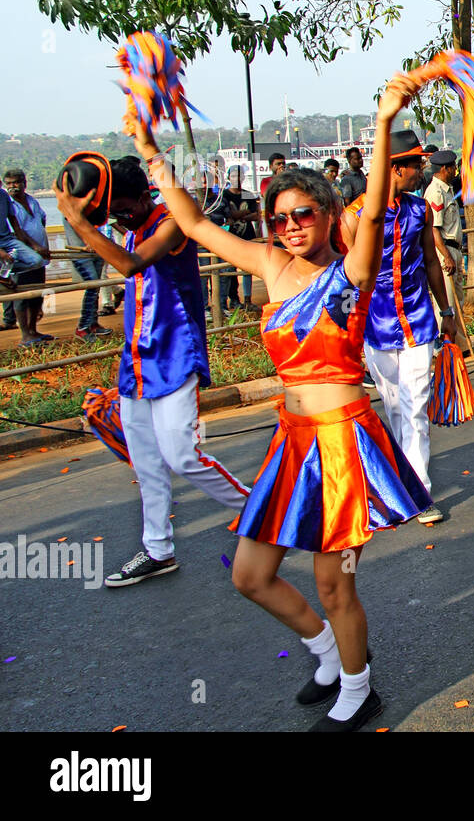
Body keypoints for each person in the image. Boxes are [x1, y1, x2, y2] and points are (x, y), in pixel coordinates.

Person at [128, 71, 438, 731]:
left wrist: (381, 121)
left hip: (341, 440)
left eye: (304, 214)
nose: (292, 226)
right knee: (249, 574)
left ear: (329, 213)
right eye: (281, 217)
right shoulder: (270, 266)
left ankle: (359, 685)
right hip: (292, 442)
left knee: (334, 583)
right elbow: (187, 221)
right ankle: (326, 652)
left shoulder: (350, 270)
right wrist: (149, 145)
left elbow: (378, 208)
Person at [56, 155, 250, 586]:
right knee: (145, 464)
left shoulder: (171, 222)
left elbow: (131, 265)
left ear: (146, 196)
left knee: (182, 455)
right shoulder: (133, 227)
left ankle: (260, 511)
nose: (121, 219)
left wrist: (82, 225)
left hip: (176, 354)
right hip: (136, 362)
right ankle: (158, 550)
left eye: (126, 210)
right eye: (114, 213)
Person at [342, 129, 460, 526]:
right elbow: (345, 279)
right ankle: (399, 482)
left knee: (415, 406)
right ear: (395, 169)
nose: (421, 169)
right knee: (395, 408)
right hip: (375, 328)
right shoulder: (355, 215)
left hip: (419, 322)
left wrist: (447, 311)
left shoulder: (420, 209)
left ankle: (418, 492)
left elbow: (429, 260)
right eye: (416, 164)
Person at [424, 150, 470, 353]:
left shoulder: (447, 189)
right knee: (446, 303)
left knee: (457, 301)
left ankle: (459, 344)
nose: (455, 171)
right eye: (452, 167)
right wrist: (446, 255)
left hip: (454, 249)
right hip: (446, 251)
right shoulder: (435, 192)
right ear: (445, 168)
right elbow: (433, 228)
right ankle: (442, 347)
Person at [2, 170, 52, 343]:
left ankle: (33, 331)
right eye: (8, 183)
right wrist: (35, 246)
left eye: (15, 183)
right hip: (21, 254)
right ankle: (25, 334)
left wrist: (42, 246)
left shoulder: (32, 200)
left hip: (39, 255)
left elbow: (41, 221)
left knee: (37, 293)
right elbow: (16, 232)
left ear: (24, 183)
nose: (12, 187)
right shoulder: (8, 203)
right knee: (22, 295)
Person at [222, 166, 262, 312]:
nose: (237, 179)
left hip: (248, 236)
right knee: (230, 269)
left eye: (239, 176)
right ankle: (233, 299)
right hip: (231, 237)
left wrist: (239, 215)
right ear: (228, 177)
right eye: (233, 176)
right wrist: (245, 213)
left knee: (247, 269)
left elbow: (256, 215)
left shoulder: (248, 195)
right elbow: (229, 215)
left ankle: (247, 299)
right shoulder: (224, 195)